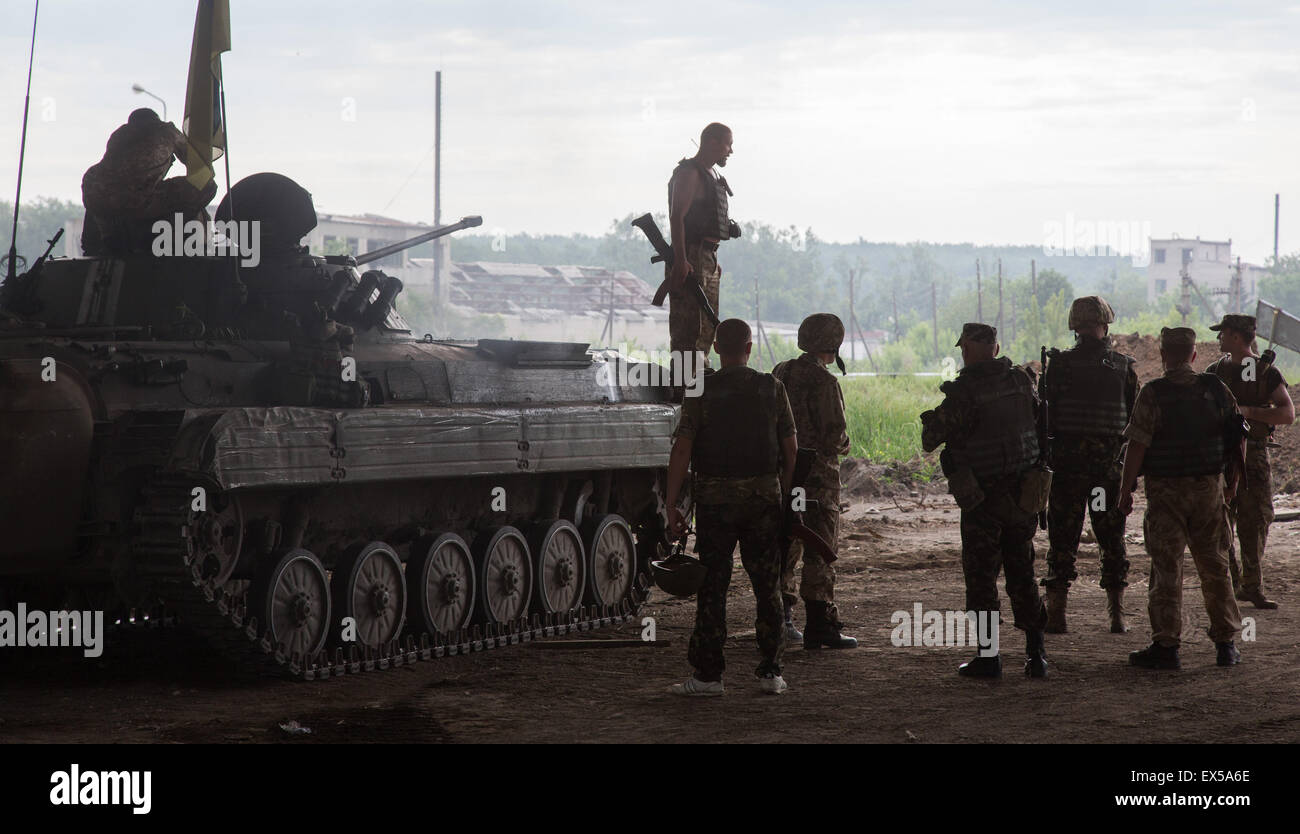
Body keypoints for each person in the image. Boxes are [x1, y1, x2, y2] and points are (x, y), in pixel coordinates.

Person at [665, 318, 798, 695]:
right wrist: (783, 497)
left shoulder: (700, 391)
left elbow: (682, 450)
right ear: (750, 348)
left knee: (712, 588)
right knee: (767, 587)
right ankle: (771, 673)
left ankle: (708, 676)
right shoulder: (772, 388)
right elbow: (790, 451)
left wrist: (673, 504)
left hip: (715, 504)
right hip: (763, 503)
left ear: (717, 350)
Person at [921, 324, 1049, 678]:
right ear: (995, 348)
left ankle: (989, 657)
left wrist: (931, 419)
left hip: (983, 499)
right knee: (1023, 571)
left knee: (981, 578)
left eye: (964, 348)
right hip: (1023, 494)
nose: (962, 353)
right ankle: (1036, 655)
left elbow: (931, 439)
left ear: (969, 350)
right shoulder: (1023, 381)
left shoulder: (964, 392)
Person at [1118, 327, 1244, 669]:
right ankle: (1226, 645)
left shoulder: (1153, 393)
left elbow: (1137, 446)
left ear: (1162, 355)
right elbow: (1238, 435)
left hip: (1166, 493)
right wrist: (1232, 481)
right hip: (1208, 490)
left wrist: (1125, 490)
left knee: (1166, 567)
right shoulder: (1216, 388)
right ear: (1192, 355)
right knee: (1215, 566)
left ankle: (1167, 646)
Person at [1040, 296, 1138, 633]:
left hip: (1067, 474)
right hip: (1106, 475)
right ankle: (1117, 616)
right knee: (1111, 539)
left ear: (1074, 325)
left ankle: (1056, 614)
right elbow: (1134, 423)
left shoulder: (1060, 365)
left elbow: (1045, 420)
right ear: (1106, 323)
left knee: (1063, 541)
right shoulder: (1124, 367)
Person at [772, 313, 858, 648]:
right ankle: (820, 625)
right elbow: (836, 437)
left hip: (786, 475)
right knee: (820, 547)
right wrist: (844, 446)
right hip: (819, 480)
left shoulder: (781, 371)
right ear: (834, 344)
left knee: (786, 542)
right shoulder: (825, 382)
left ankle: (781, 618)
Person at [1206, 314, 1294, 610]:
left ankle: (1251, 585)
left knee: (1255, 519)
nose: (1218, 339)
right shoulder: (1213, 372)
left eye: (1222, 334)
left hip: (1254, 453)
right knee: (1220, 521)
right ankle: (1232, 584)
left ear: (1235, 336)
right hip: (1220, 454)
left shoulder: (1266, 372)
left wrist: (1248, 412)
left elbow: (1287, 414)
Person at [80, 108, 217, 256]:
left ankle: (111, 240)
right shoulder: (166, 130)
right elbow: (203, 168)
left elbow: (118, 176)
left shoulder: (119, 134)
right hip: (135, 196)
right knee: (206, 185)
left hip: (93, 188)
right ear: (157, 120)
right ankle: (164, 235)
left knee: (105, 192)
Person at [667, 123, 737, 371]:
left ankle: (699, 382)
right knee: (689, 329)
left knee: (707, 325)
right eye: (728, 144)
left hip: (707, 257)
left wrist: (712, 259)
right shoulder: (689, 173)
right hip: (691, 255)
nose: (730, 151)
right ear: (712, 142)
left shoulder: (712, 175)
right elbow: (677, 217)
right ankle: (685, 391)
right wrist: (680, 259)